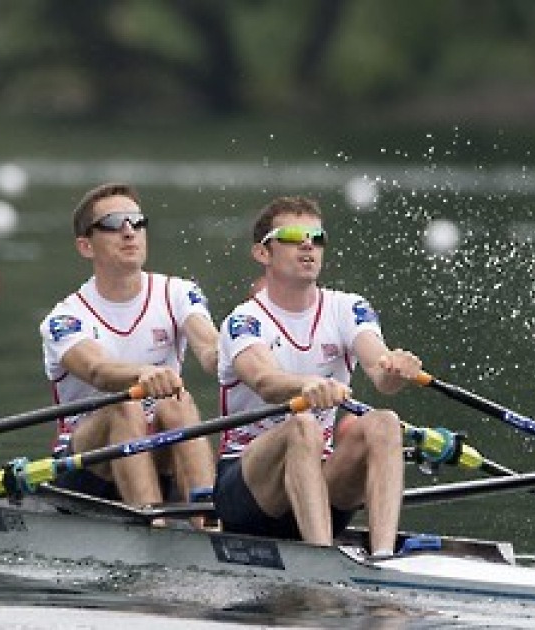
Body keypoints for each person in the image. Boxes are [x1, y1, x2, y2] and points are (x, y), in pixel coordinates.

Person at [215, 196, 419, 557]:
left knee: (385, 423)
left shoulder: (348, 308)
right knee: (302, 425)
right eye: (293, 235)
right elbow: (264, 380)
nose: (307, 244)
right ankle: (322, 556)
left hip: (320, 487)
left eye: (316, 236)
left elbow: (381, 375)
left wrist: (397, 367)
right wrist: (306, 385)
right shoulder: (243, 321)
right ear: (263, 253)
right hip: (248, 493)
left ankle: (383, 555)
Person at [39, 182, 217, 512]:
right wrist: (144, 373)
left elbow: (209, 348)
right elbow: (99, 372)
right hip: (87, 469)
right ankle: (152, 527)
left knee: (177, 402)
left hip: (158, 453)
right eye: (112, 224)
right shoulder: (65, 318)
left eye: (136, 221)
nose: (128, 232)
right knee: (125, 405)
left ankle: (209, 526)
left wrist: (243, 358)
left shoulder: (178, 293)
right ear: (85, 246)